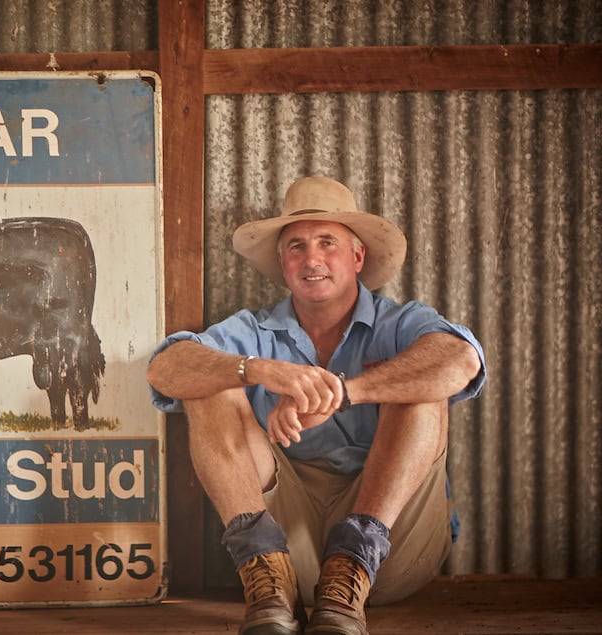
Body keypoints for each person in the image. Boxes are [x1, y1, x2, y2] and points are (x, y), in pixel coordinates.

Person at [147, 176, 486, 635]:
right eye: (296, 246)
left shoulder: (401, 322)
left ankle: (352, 563)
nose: (312, 258)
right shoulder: (255, 330)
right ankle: (265, 580)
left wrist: (343, 393)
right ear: (283, 263)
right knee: (212, 379)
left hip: (390, 554)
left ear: (357, 256)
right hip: (288, 551)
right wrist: (262, 371)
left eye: (328, 242)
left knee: (418, 386)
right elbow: (166, 369)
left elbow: (460, 360)